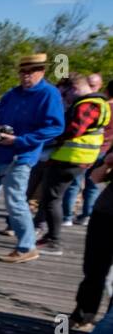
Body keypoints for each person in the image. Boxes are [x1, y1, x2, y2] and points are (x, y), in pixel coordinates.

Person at [0, 53, 65, 263]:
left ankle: (27, 246)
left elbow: (55, 127)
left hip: (20, 156)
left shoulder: (49, 94)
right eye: (23, 71)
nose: (26, 76)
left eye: (31, 71)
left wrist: (20, 140)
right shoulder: (11, 94)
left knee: (15, 202)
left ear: (42, 72)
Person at [35, 74, 109, 253]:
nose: (65, 98)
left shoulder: (87, 104)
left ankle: (54, 240)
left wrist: (49, 137)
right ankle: (50, 236)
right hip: (80, 157)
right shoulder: (102, 104)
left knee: (52, 199)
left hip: (70, 158)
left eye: (66, 94)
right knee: (53, 197)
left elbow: (73, 130)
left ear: (74, 88)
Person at [71, 152, 113, 331]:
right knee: (93, 268)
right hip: (105, 214)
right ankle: (82, 315)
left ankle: (108, 326)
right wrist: (107, 162)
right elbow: (95, 178)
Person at [66, 74, 109, 225]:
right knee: (75, 184)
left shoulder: (95, 104)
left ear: (101, 86)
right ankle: (68, 215)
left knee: (90, 185)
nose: (90, 88)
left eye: (94, 86)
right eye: (89, 84)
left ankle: (86, 214)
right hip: (88, 150)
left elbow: (76, 129)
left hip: (98, 151)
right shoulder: (101, 104)